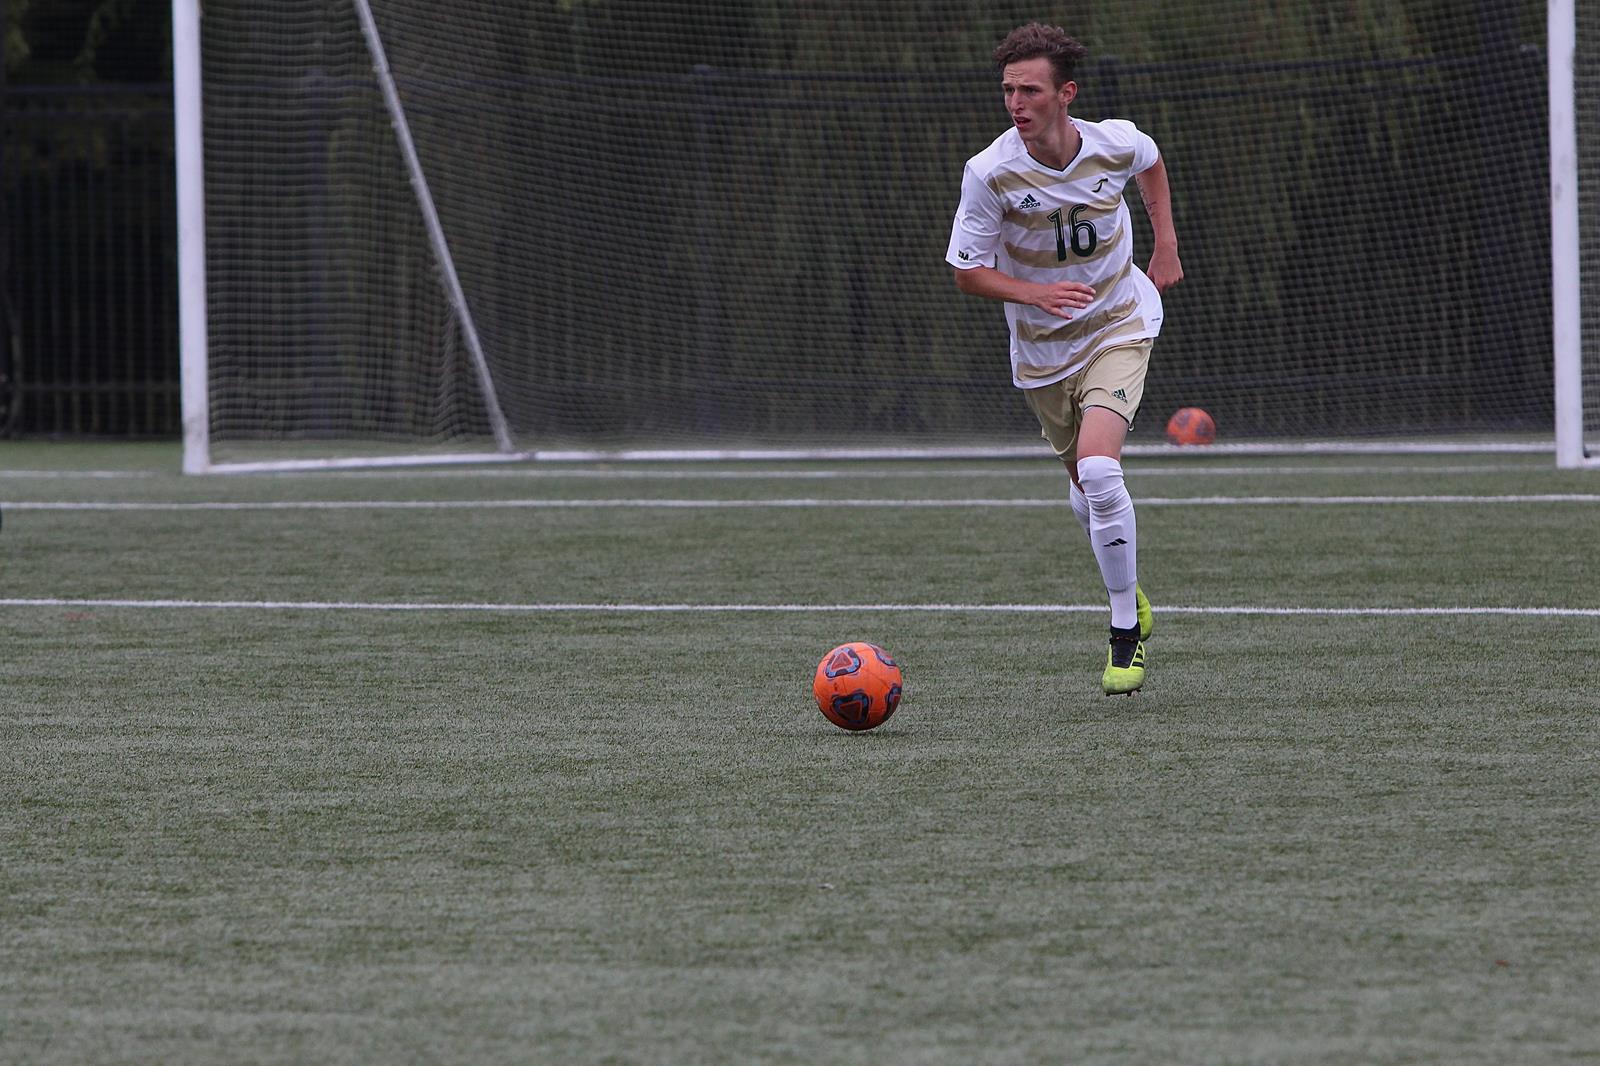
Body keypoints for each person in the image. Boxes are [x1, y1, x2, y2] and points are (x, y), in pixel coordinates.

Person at [946, 22, 1183, 696]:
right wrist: (1033, 292)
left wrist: (1163, 244)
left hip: (1119, 322)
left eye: (1029, 90)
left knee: (1101, 472)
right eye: (1007, 90)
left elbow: (1151, 161)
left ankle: (1123, 633)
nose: (1016, 103)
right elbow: (966, 272)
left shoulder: (1112, 143)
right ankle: (1130, 589)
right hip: (1044, 355)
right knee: (1085, 490)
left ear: (1065, 93)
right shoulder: (990, 172)